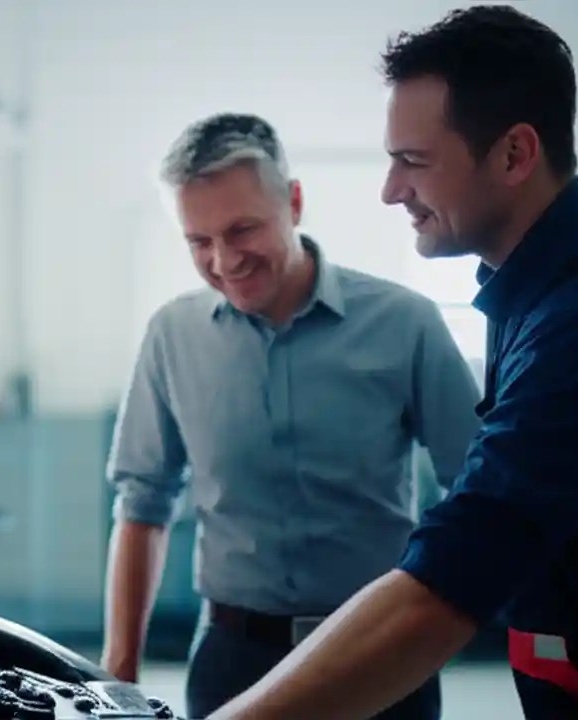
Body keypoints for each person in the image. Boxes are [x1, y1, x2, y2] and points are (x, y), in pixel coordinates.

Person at [205, 6, 578, 720]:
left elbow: (447, 585)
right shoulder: (549, 292)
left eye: (413, 162)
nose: (391, 190)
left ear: (515, 155)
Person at [101, 112, 482, 720]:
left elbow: (480, 490)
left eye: (242, 229)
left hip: (379, 655)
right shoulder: (172, 335)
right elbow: (141, 506)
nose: (224, 261)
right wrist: (118, 673)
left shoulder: (404, 324)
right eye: (198, 242)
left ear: (295, 202)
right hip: (232, 659)